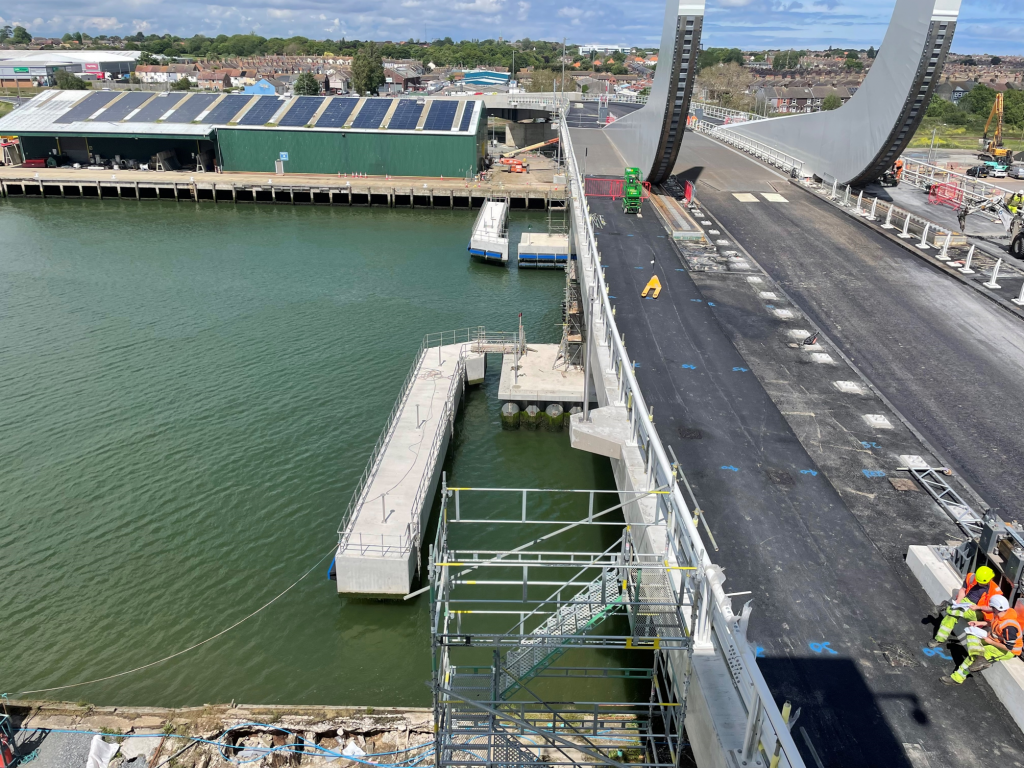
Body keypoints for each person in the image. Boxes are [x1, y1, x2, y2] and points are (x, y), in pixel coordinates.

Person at [942, 594, 1022, 685]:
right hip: (996, 641)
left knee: (972, 659)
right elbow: (993, 623)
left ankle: (957, 678)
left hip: (1006, 650)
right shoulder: (1002, 614)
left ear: (995, 608)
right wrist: (979, 623)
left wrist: (990, 642)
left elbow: (1009, 647)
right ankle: (979, 657)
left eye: (992, 607)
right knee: (971, 634)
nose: (990, 609)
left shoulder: (1010, 627)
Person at [929, 565, 1001, 647]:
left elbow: (993, 609)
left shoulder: (995, 592)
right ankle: (939, 639)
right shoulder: (971, 577)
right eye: (979, 582)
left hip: (980, 611)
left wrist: (978, 607)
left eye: (982, 583)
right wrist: (959, 600)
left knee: (958, 611)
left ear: (990, 579)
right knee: (950, 617)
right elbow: (963, 590)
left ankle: (947, 606)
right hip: (966, 602)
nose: (980, 584)